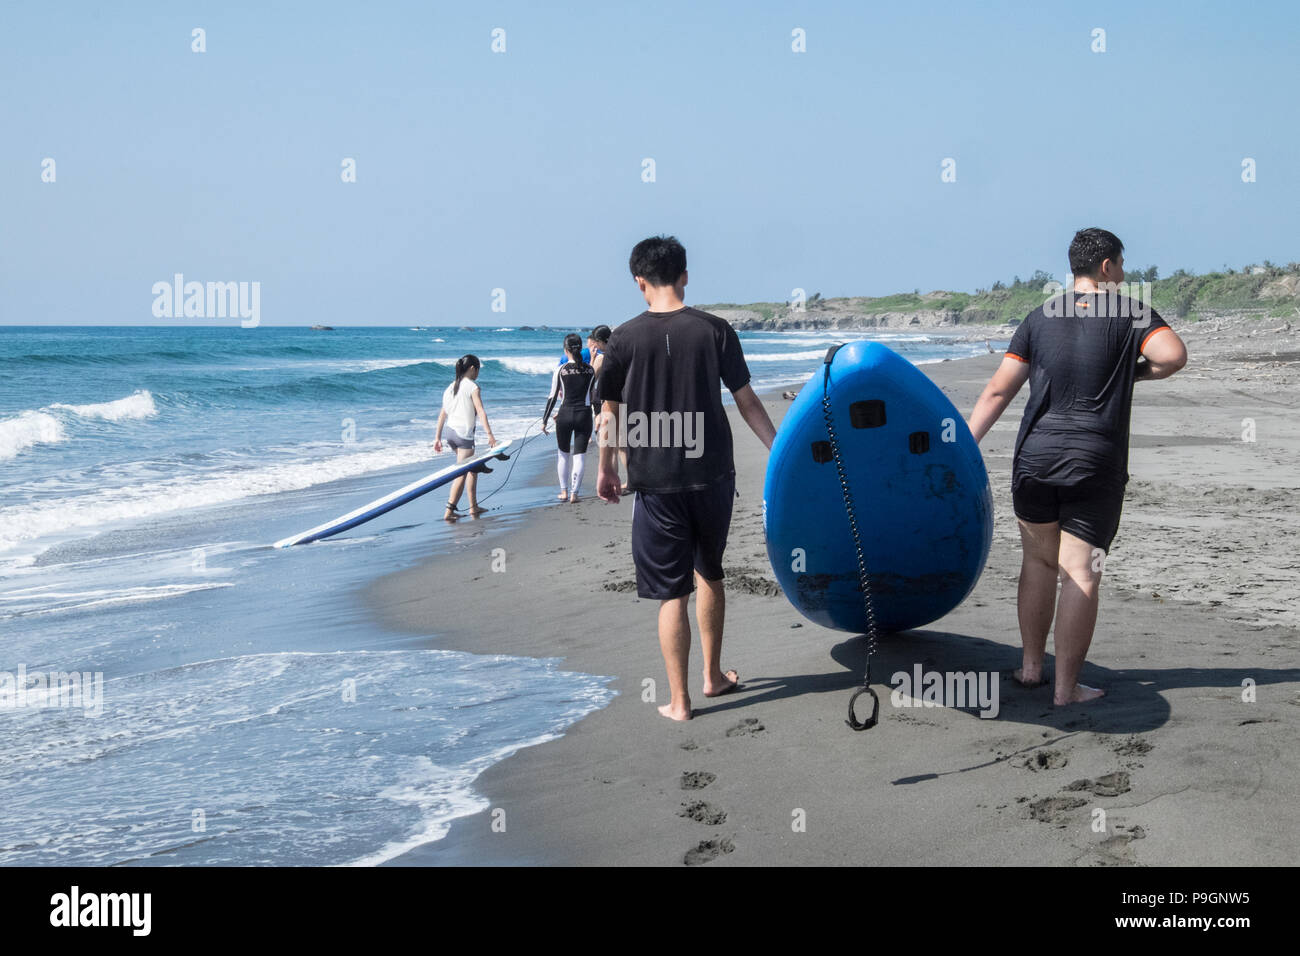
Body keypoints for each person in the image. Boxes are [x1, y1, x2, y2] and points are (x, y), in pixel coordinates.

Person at [968, 228, 1187, 705]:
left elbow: (998, 391)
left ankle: (1030, 668)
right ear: (1107, 266)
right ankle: (1066, 689)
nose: (1124, 275)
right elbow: (1173, 356)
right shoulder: (1130, 311)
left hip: (1034, 458)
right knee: (1081, 572)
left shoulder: (1039, 316)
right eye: (1122, 266)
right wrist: (1131, 371)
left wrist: (964, 447)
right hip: (1094, 461)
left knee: (1039, 561)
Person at [597, 236, 777, 721]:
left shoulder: (623, 338)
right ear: (685, 275)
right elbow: (746, 401)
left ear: (639, 282)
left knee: (670, 592)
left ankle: (680, 702)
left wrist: (606, 467)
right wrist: (779, 451)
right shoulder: (716, 330)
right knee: (709, 570)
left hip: (655, 480)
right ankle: (713, 676)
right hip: (712, 474)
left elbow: (608, 409)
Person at [433, 354, 497, 520]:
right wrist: (490, 435)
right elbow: (481, 411)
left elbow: (442, 414)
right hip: (463, 435)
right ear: (472, 369)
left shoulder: (450, 387)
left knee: (472, 469)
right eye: (478, 370)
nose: (478, 374)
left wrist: (437, 437)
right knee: (461, 473)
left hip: (450, 433)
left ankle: (473, 507)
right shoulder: (472, 386)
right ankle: (449, 511)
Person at [543, 334, 595, 502]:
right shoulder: (590, 370)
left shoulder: (561, 369)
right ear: (580, 348)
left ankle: (564, 492)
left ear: (566, 350)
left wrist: (544, 420)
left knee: (563, 454)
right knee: (579, 456)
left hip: (564, 415)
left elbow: (552, 397)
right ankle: (575, 494)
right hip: (584, 415)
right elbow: (591, 395)